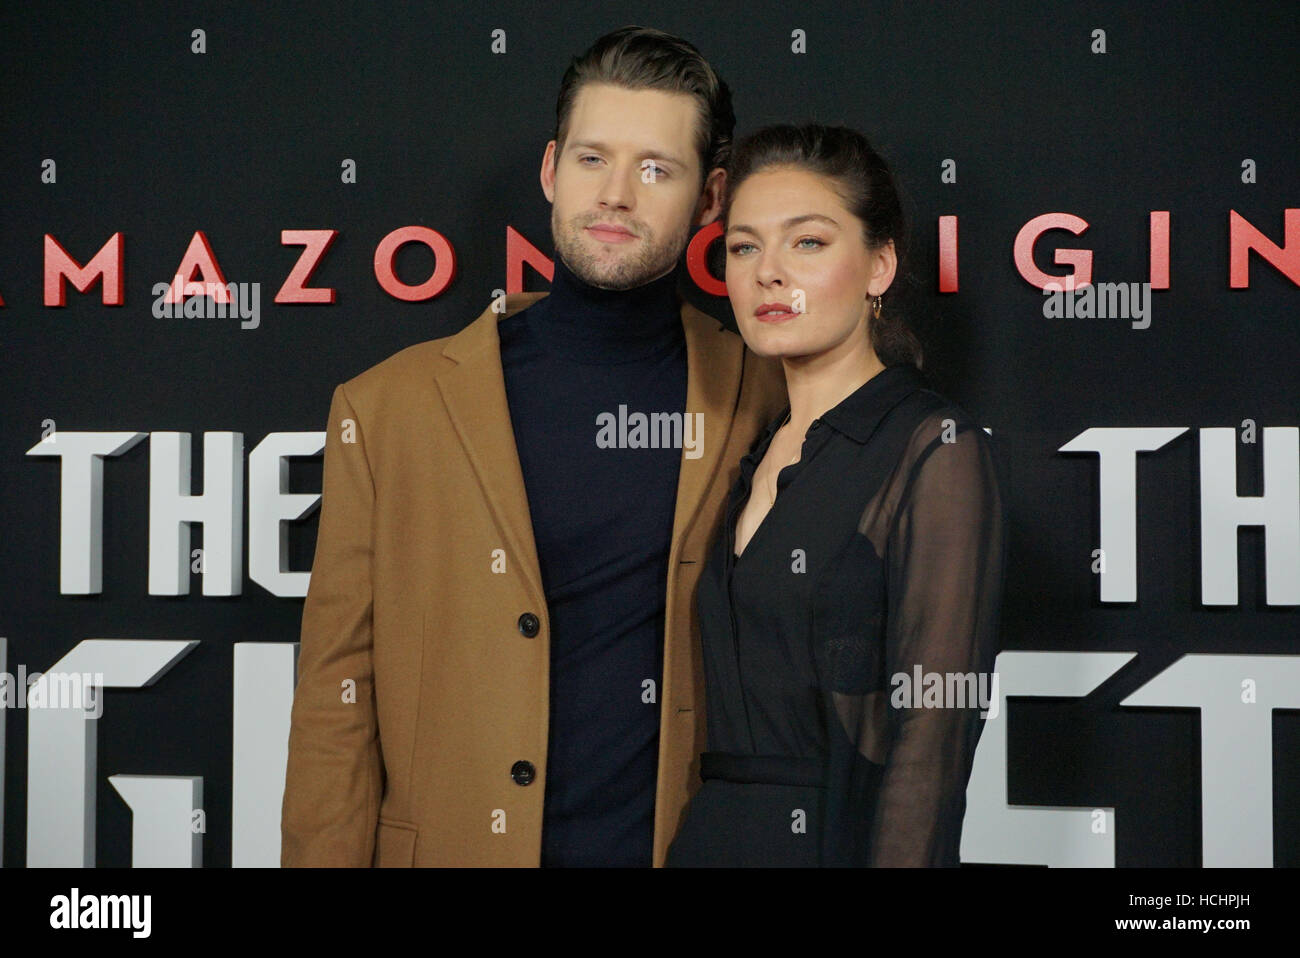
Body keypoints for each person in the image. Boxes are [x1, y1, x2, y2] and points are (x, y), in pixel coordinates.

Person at [280, 27, 786, 867]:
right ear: (552, 170)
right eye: (593, 160)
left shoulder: (765, 395)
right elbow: (337, 700)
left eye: (655, 168)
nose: (617, 195)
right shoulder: (388, 409)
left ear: (710, 198)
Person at [665, 124, 1007, 867]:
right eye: (744, 246)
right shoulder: (750, 448)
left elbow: (934, 741)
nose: (768, 273)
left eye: (808, 243)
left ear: (880, 265)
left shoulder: (933, 448)